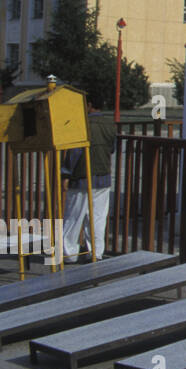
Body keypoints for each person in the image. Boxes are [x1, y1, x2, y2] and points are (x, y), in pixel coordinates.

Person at [60, 98, 117, 262]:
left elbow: (74, 153)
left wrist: (66, 174)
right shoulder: (109, 125)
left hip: (81, 177)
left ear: (89, 105)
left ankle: (68, 253)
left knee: (74, 216)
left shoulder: (81, 125)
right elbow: (112, 148)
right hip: (103, 177)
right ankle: (96, 253)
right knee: (98, 218)